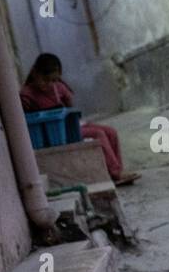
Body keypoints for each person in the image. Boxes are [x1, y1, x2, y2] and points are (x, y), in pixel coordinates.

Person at [20, 53, 139, 185]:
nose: (49, 84)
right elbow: (26, 119)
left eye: (53, 80)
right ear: (35, 73)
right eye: (45, 80)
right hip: (53, 134)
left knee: (111, 132)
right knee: (98, 134)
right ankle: (116, 173)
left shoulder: (58, 87)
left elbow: (70, 107)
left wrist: (64, 98)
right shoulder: (27, 95)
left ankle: (117, 171)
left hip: (70, 126)